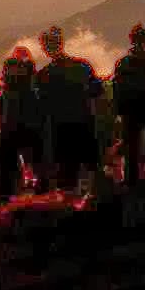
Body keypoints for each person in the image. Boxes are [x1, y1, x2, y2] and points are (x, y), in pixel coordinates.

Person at [34, 27, 103, 193]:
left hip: (63, 127)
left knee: (68, 173)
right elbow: (97, 90)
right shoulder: (82, 66)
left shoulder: (44, 74)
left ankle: (72, 208)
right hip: (81, 123)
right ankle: (92, 205)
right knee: (87, 169)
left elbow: (41, 105)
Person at [112, 23, 145, 186]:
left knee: (132, 144)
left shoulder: (123, 63)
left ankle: (131, 179)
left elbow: (117, 88)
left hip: (132, 108)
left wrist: (118, 110)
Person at [0, 47, 42, 197]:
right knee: (33, 160)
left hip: (13, 126)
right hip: (26, 125)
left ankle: (5, 192)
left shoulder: (8, 89)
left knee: (8, 163)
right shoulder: (30, 82)